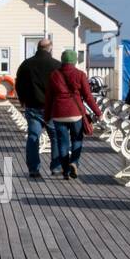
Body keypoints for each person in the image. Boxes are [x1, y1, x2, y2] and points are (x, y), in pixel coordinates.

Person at [44, 47, 102, 180]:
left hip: (58, 113)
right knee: (77, 139)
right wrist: (98, 112)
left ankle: (65, 171)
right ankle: (74, 162)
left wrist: (47, 117)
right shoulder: (80, 74)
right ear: (75, 60)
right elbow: (88, 96)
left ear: (62, 60)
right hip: (76, 113)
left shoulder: (54, 75)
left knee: (62, 143)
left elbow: (49, 98)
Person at [15, 37, 60, 179]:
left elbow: (19, 84)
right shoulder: (57, 65)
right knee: (55, 137)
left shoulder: (26, 64)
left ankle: (34, 169)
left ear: (37, 48)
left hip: (33, 106)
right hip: (52, 108)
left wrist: (22, 100)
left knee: (33, 137)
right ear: (50, 48)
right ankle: (56, 167)